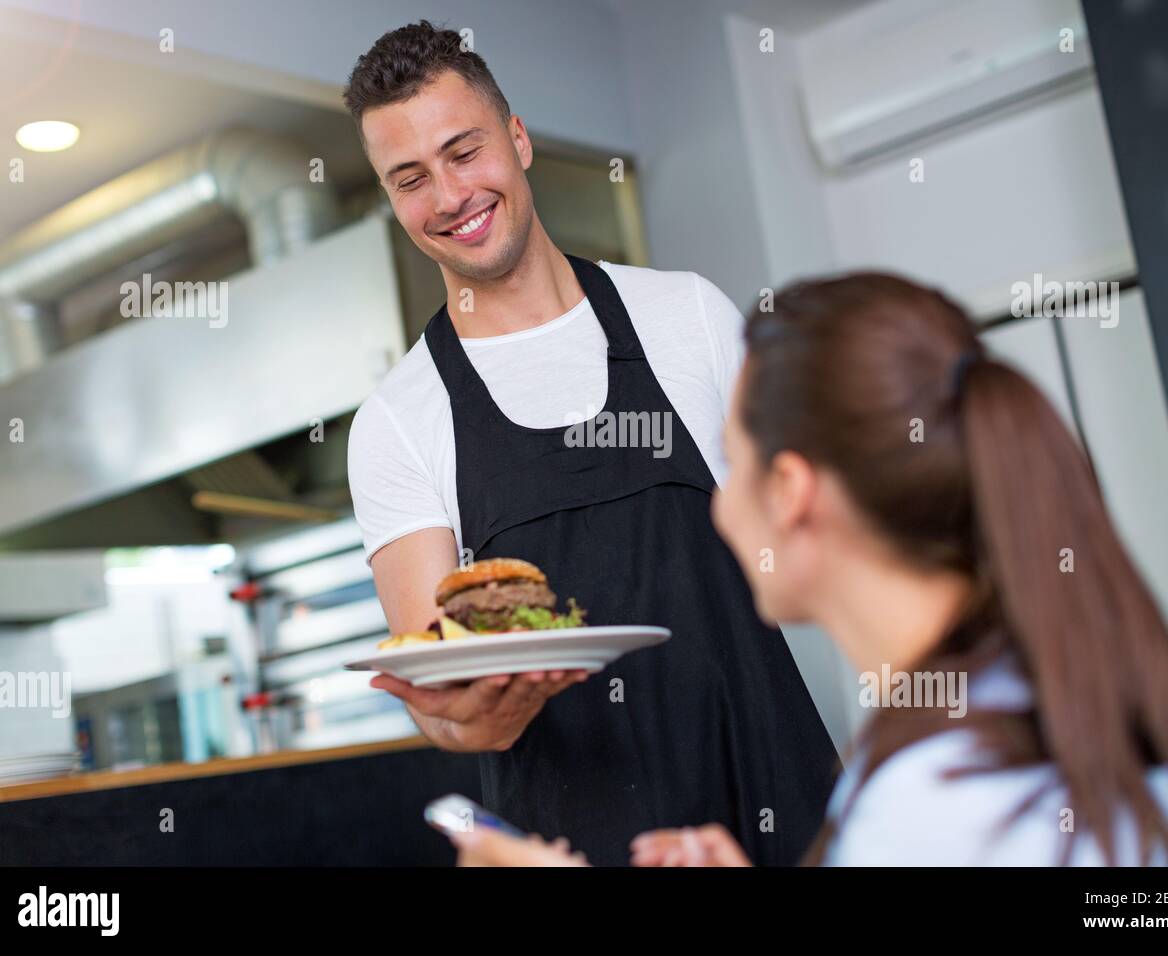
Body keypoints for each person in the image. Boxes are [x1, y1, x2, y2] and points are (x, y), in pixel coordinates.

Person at [453, 273, 1168, 866]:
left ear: (790, 493)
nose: (719, 511)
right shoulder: (1022, 706)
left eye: (736, 466)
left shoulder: (936, 793)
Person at [342, 21, 836, 867]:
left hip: (779, 808)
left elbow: (809, 543)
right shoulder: (397, 419)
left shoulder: (690, 318)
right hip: (576, 845)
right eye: (411, 177)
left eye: (466, 152)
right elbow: (435, 678)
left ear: (520, 140)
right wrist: (463, 719)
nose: (450, 196)